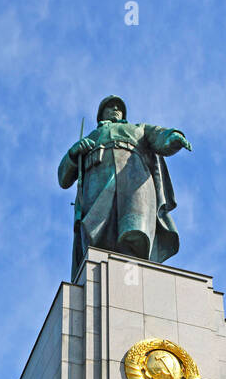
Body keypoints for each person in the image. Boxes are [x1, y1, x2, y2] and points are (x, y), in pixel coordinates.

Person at [58, 95, 191, 275]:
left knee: (135, 230)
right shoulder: (92, 136)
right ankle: (100, 273)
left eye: (118, 107)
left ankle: (133, 272)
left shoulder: (138, 129)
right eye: (110, 106)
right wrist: (74, 153)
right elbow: (63, 179)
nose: (115, 109)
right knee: (96, 235)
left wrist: (173, 138)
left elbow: (160, 136)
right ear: (101, 114)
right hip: (98, 182)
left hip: (133, 177)